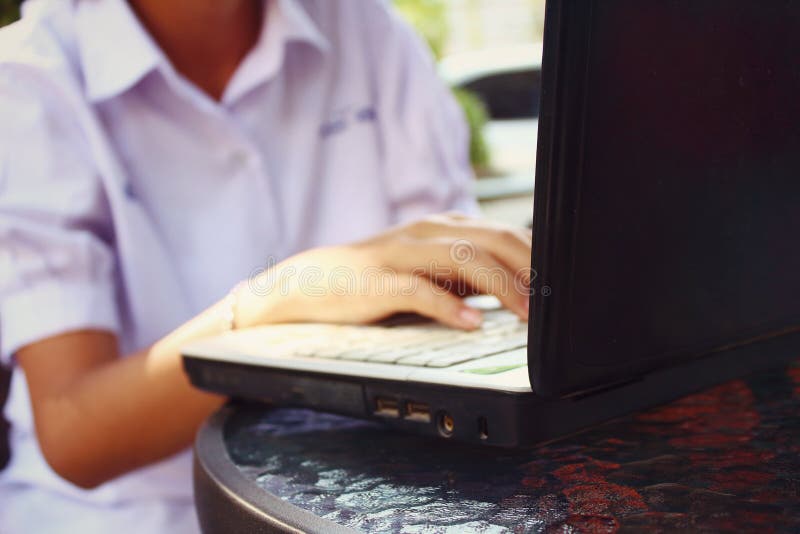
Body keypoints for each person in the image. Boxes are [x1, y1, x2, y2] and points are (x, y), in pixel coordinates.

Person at [0, 0, 532, 532]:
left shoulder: (367, 27)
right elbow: (74, 434)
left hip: (375, 491)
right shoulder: (31, 79)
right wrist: (274, 303)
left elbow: (442, 284)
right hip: (133, 515)